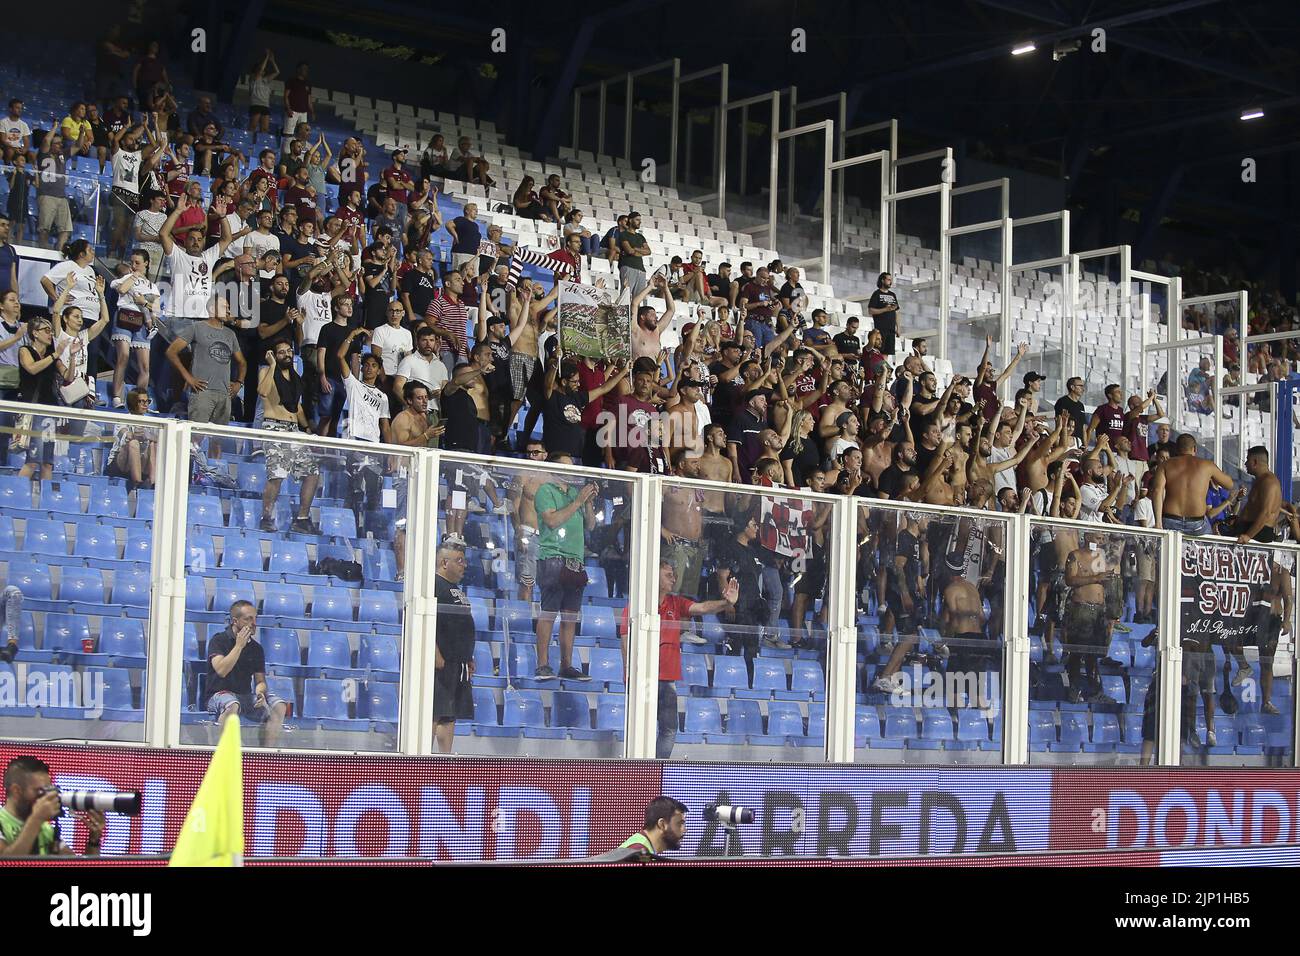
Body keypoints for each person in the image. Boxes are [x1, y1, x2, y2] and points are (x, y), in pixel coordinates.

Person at [533, 455, 599, 681]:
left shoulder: (574, 493)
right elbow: (552, 521)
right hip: (553, 557)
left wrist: (588, 502)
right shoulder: (545, 491)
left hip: (575, 559)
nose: (571, 471)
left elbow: (590, 525)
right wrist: (579, 501)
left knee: (570, 616)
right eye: (565, 466)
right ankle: (542, 664)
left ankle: (566, 665)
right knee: (549, 613)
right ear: (553, 468)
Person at [205, 600, 290, 747]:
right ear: (235, 621)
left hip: (245, 696)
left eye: (255, 618)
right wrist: (239, 646)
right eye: (248, 619)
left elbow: (260, 681)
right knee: (232, 704)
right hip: (218, 695)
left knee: (279, 705)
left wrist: (260, 693)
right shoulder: (218, 640)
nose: (253, 623)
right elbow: (221, 670)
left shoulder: (256, 648)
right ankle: (225, 752)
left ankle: (266, 756)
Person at [257, 341, 320, 533]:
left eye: (289, 351)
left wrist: (307, 429)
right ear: (275, 355)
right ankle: (266, 517)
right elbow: (263, 391)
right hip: (274, 427)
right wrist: (273, 366)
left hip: (294, 429)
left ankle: (302, 519)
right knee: (277, 474)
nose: (286, 355)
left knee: (312, 473)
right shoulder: (266, 371)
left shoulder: (296, 377)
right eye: (281, 352)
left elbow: (297, 407)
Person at [0, 756, 104, 856]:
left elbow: (78, 866)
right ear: (16, 791)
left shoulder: (46, 829)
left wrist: (94, 840)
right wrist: (36, 819)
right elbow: (6, 862)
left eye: (48, 790)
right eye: (40, 791)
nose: (46, 797)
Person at [433, 538, 475, 753]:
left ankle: (444, 762)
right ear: (444, 563)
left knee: (448, 715)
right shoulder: (433, 585)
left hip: (457, 664)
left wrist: (468, 657)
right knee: (433, 712)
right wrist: (434, 653)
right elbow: (426, 621)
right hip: (441, 663)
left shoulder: (455, 589)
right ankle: (419, 758)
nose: (464, 565)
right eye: (459, 561)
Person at [1151, 433, 1233, 534]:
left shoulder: (1165, 465)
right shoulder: (1207, 465)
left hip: (1170, 520)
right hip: (1197, 524)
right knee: (1211, 538)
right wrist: (1212, 473)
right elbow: (1230, 485)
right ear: (1195, 449)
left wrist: (1158, 523)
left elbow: (1157, 491)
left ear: (1176, 449)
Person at [1229, 446, 1281, 544]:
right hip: (1250, 530)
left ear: (1255, 462)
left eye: (1247, 460)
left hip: (1258, 534)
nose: (1245, 464)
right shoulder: (1260, 480)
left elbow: (1266, 513)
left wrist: (1248, 536)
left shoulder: (1269, 482)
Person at [617, 796, 688, 859]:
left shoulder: (643, 849)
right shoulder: (639, 852)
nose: (685, 830)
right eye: (680, 824)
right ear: (662, 825)